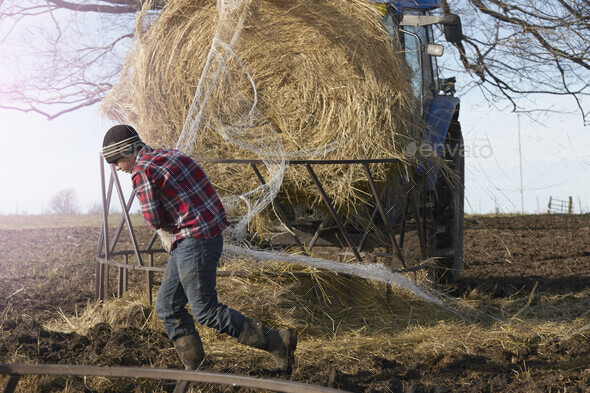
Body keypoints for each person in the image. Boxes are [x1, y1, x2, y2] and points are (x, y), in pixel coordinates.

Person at [101, 124, 297, 372]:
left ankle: (278, 341)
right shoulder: (172, 155)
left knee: (205, 310)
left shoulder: (141, 173)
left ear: (129, 150)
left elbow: (153, 219)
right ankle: (197, 367)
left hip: (192, 241)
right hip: (207, 236)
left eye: (117, 161)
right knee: (167, 306)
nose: (117, 168)